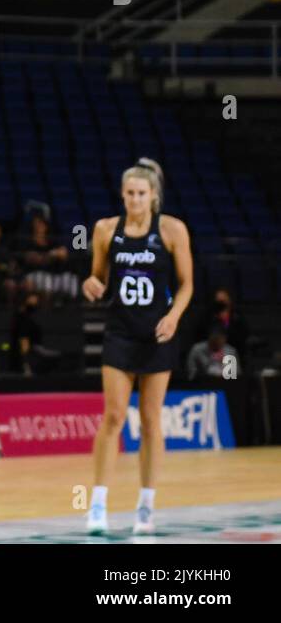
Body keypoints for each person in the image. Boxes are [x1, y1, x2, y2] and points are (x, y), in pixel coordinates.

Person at [81, 161, 192, 536]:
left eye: (141, 194)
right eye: (129, 193)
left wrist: (174, 316)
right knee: (112, 416)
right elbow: (98, 276)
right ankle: (97, 504)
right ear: (122, 195)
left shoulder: (173, 230)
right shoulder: (105, 230)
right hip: (120, 332)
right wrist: (92, 284)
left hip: (157, 334)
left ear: (153, 196)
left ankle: (146, 504)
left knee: (149, 420)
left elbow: (187, 284)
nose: (134, 200)